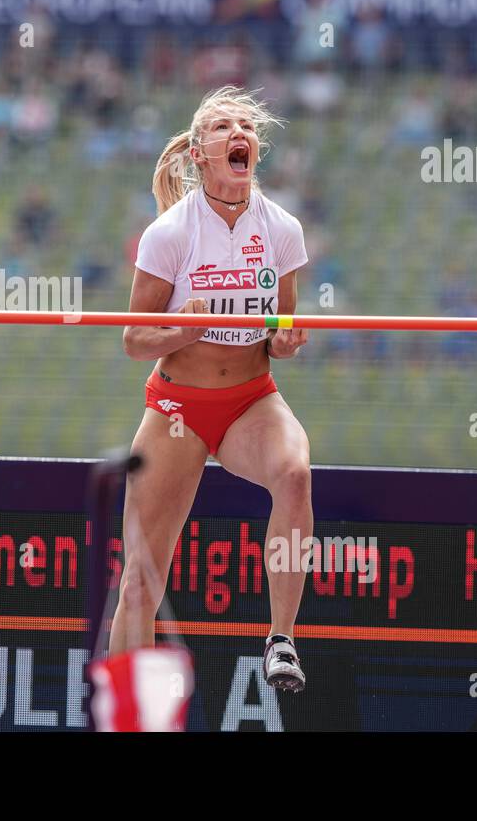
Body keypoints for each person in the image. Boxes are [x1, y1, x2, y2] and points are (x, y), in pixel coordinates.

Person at [112, 86, 312, 692]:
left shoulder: (282, 230)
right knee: (143, 578)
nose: (237, 133)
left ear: (255, 150)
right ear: (200, 152)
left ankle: (281, 642)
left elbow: (281, 330)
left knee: (296, 475)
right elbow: (133, 340)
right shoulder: (169, 234)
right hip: (178, 407)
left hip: (251, 400)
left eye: (245, 125)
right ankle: (126, 713)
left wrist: (283, 342)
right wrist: (185, 328)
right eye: (222, 126)